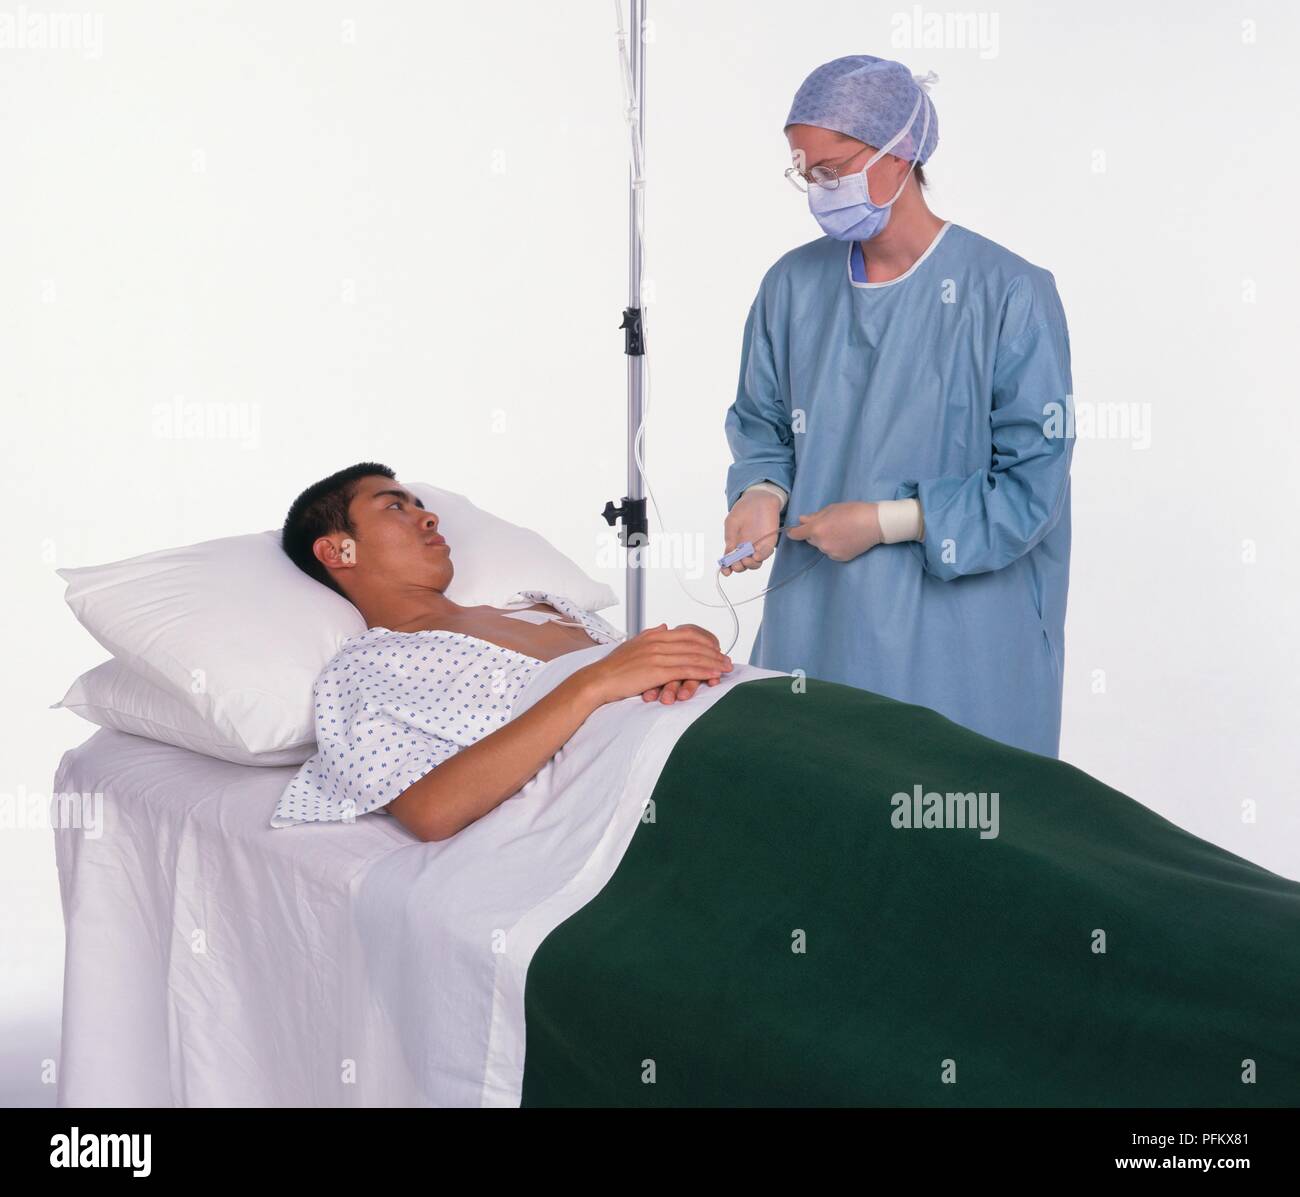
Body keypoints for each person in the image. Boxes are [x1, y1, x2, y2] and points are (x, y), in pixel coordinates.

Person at [723, 53, 1074, 758]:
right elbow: (762, 426)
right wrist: (762, 491)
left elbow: (1031, 490)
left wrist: (886, 522)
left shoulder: (1008, 294)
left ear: (900, 152)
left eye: (834, 167)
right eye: (807, 172)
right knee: (822, 819)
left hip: (961, 642)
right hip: (817, 628)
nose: (820, 187)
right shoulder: (792, 287)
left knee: (959, 838)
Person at [275, 462, 734, 841]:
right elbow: (431, 810)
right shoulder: (365, 668)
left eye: (422, 506)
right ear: (338, 551)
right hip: (687, 769)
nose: (429, 519)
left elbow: (637, 667)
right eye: (395, 506)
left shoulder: (542, 605)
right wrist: (593, 684)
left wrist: (689, 647)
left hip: (741, 706)